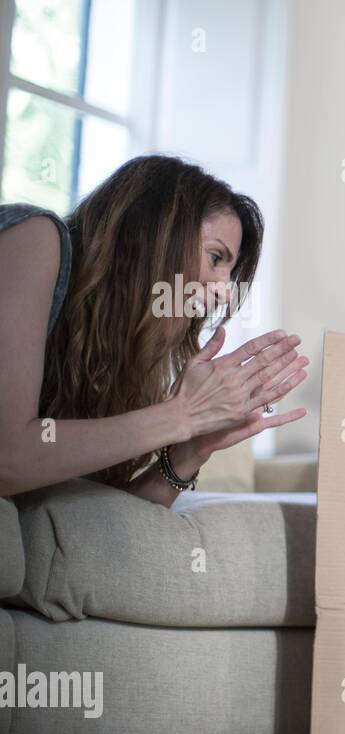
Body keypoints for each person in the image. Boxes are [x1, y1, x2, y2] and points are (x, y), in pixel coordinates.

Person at [0, 154, 308, 502]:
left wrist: (189, 452)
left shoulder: (117, 365)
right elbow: (7, 458)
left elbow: (96, 528)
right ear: (157, 232)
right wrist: (183, 415)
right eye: (216, 257)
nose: (225, 291)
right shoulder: (37, 238)